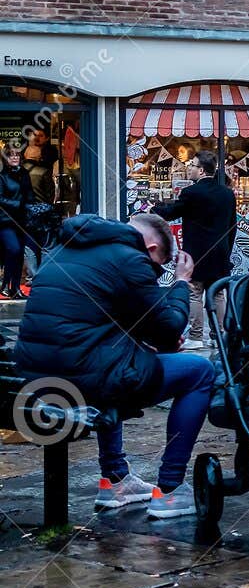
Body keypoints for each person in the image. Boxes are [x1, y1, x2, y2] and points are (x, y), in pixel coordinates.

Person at [13, 211, 214, 517]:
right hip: (83, 379)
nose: (154, 275)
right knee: (200, 372)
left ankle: (117, 479)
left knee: (114, 360)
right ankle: (171, 490)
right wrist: (181, 282)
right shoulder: (130, 259)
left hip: (37, 379)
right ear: (151, 250)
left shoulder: (63, 250)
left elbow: (104, 324)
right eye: (157, 269)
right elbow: (169, 327)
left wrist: (150, 339)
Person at [154, 151, 237, 350]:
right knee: (218, 295)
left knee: (194, 293)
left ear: (201, 170)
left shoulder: (191, 193)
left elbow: (171, 212)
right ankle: (218, 336)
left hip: (197, 253)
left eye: (192, 165)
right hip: (220, 253)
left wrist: (154, 207)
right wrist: (227, 250)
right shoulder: (227, 193)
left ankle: (196, 336)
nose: (188, 168)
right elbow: (232, 227)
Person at [0, 143, 29, 298]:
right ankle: (5, 284)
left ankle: (15, 288)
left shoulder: (24, 174)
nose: (15, 157)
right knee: (13, 249)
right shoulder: (2, 177)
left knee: (19, 254)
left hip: (21, 220)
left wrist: (33, 206)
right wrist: (18, 204)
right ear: (5, 158)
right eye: (11, 155)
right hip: (5, 221)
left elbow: (29, 194)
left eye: (17, 155)